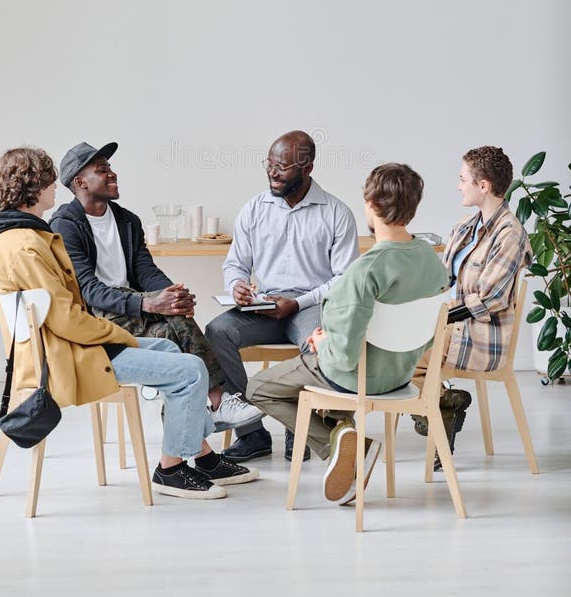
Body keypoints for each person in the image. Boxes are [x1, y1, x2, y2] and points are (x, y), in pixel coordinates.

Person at [0, 147, 259, 500]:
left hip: (76, 343)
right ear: (34, 187)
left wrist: (164, 299)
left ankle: (202, 455)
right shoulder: (27, 245)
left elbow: (83, 302)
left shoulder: (24, 237)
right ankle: (170, 470)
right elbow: (67, 318)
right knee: (189, 370)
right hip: (69, 354)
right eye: (49, 181)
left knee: (172, 348)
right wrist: (115, 333)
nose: (54, 187)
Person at [246, 163, 448, 503]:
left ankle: (342, 444)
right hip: (400, 375)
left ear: (371, 203)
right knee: (325, 368)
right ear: (414, 206)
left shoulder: (364, 270)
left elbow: (342, 357)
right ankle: (345, 436)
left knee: (259, 388)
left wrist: (321, 341)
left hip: (356, 378)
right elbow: (424, 332)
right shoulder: (430, 259)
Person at [50, 141, 261, 434]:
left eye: (111, 167)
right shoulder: (65, 224)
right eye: (102, 170)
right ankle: (217, 401)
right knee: (175, 321)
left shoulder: (127, 220)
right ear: (80, 182)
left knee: (174, 336)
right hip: (98, 317)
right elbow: (89, 290)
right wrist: (149, 303)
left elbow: (145, 271)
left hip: (132, 310)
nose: (112, 174)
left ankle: (190, 433)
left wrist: (172, 294)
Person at [205, 130, 359, 462]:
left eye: (283, 167)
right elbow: (235, 263)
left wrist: (298, 303)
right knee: (217, 331)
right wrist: (237, 285)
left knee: (317, 343)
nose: (273, 173)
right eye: (270, 164)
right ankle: (251, 434)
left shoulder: (336, 212)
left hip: (312, 304)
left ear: (308, 167)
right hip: (266, 305)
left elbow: (345, 279)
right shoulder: (254, 209)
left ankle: (299, 428)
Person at [411, 145, 532, 468]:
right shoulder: (465, 226)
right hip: (453, 326)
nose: (458, 185)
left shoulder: (511, 234)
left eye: (463, 179)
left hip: (480, 335)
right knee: (394, 350)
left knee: (400, 357)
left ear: (484, 185)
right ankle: (445, 406)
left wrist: (441, 318)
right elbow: (442, 280)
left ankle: (441, 411)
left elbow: (490, 299)